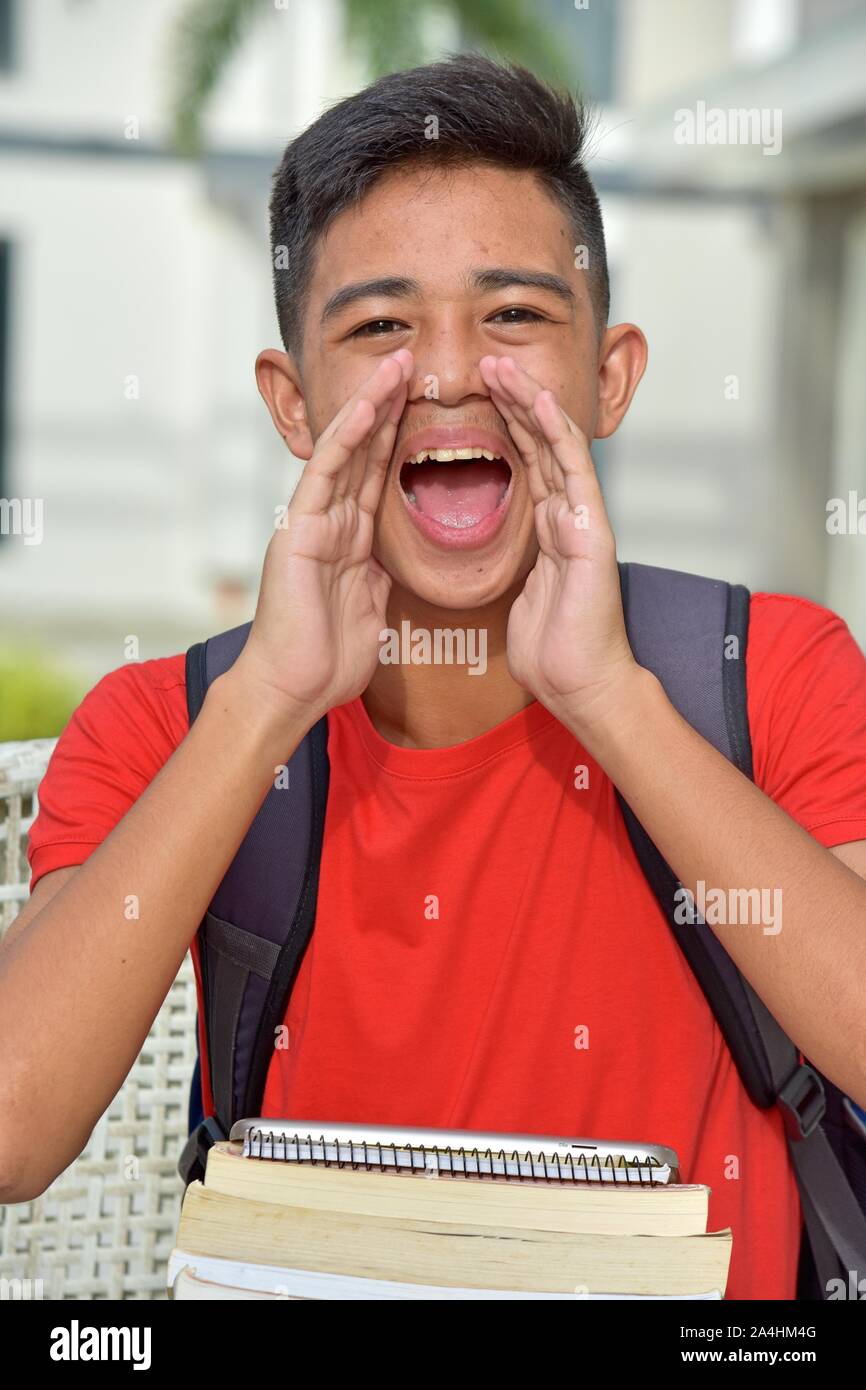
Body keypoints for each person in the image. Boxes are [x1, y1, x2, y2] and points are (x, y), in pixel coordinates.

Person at [3, 55, 866, 1302]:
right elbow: (14, 1132)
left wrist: (611, 698)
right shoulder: (172, 723)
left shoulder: (767, 673)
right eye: (378, 327)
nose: (450, 374)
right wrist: (265, 704)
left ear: (608, 374)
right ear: (292, 403)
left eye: (513, 314)